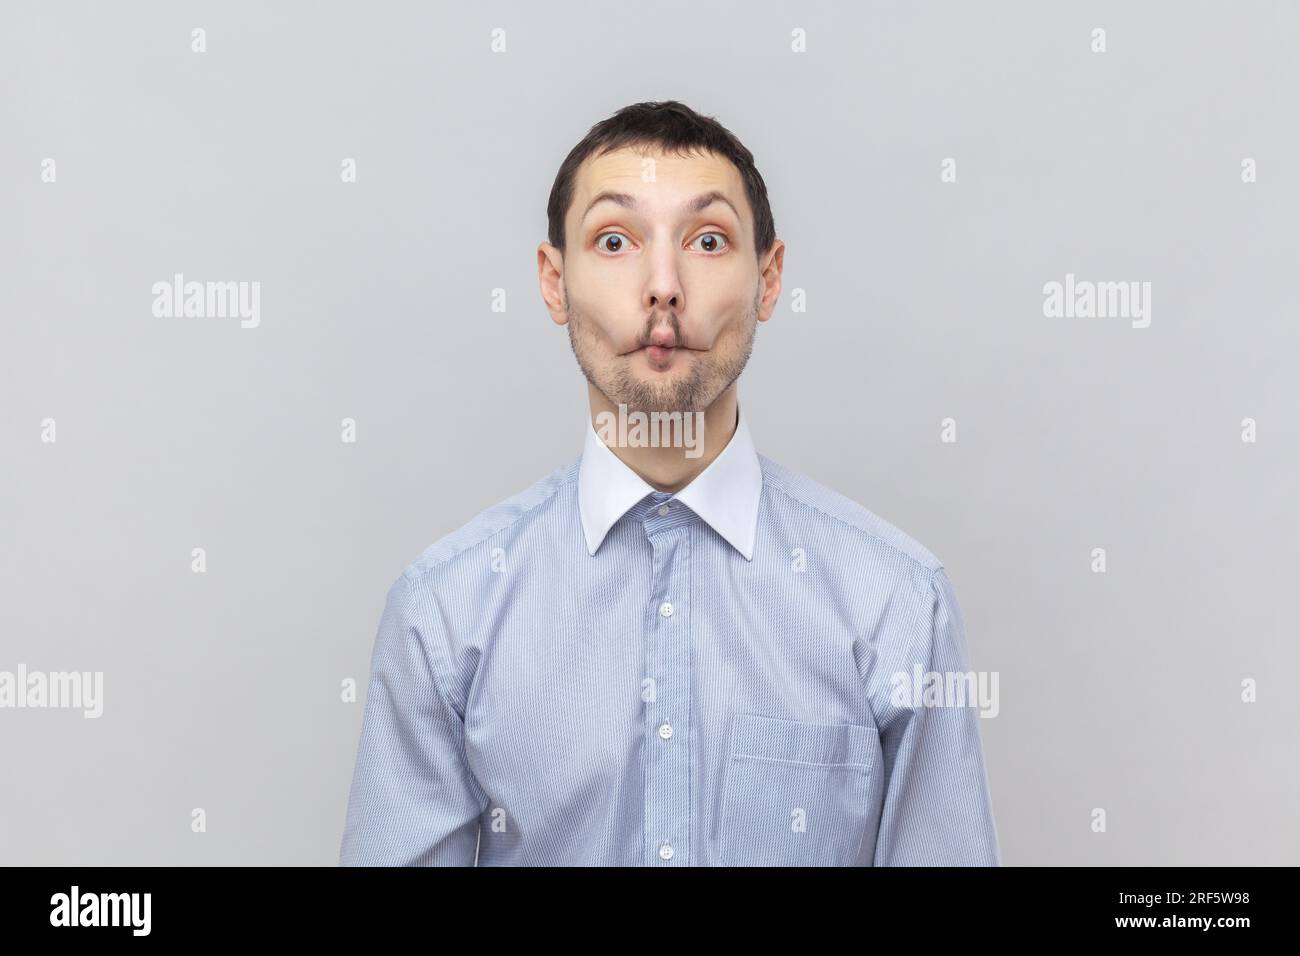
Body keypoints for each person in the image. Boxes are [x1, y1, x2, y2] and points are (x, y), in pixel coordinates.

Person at [340, 100, 1000, 866]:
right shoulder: (443, 613)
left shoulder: (896, 602)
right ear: (554, 282)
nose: (663, 286)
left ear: (769, 278)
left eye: (709, 240)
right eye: (614, 241)